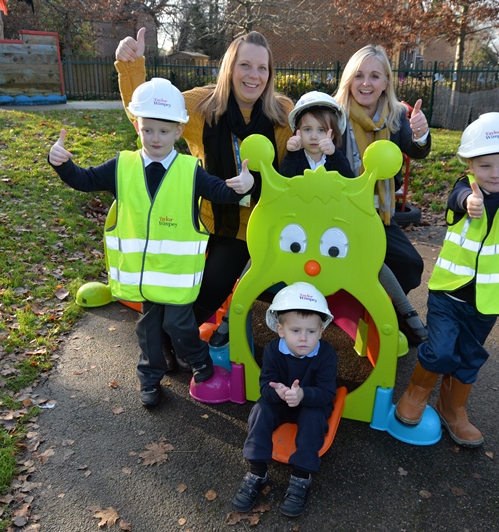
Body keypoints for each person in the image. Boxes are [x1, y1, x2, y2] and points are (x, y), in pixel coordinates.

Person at [47, 78, 255, 408]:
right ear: (137, 127)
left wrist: (243, 185)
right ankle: (150, 379)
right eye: (148, 130)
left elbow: (221, 192)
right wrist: (62, 164)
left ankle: (201, 366)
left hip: (175, 276)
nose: (155, 138)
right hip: (142, 277)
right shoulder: (122, 167)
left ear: (178, 132)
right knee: (148, 330)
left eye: (163, 131)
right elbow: (84, 180)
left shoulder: (190, 171)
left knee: (179, 325)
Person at [115, 28, 294, 329]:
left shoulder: (282, 114)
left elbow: (295, 173)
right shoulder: (202, 105)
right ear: (229, 68)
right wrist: (132, 64)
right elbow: (148, 112)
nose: (254, 75)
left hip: (251, 225)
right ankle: (161, 339)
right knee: (173, 282)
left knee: (208, 291)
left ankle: (170, 341)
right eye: (245, 65)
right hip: (202, 216)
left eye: (262, 68)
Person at [393, 112, 499, 447]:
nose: (496, 174)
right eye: (485, 166)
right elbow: (456, 200)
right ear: (471, 166)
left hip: (488, 300)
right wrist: (469, 201)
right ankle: (417, 391)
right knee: (442, 350)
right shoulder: (465, 188)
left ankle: (453, 407)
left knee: (470, 357)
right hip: (449, 294)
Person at [333, 44, 432, 344]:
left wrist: (420, 133)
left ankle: (375, 315)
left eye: (375, 76)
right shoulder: (334, 116)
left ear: (386, 82)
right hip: (339, 216)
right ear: (348, 79)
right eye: (359, 75)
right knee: (355, 267)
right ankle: (361, 316)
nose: (366, 83)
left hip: (378, 215)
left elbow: (417, 150)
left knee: (410, 266)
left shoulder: (396, 116)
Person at [231, 282, 338, 517]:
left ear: (321, 330)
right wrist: (277, 391)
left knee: (313, 419)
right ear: (281, 330)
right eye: (295, 331)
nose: (303, 338)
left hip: (310, 404)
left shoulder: (326, 354)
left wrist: (303, 394)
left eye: (311, 332)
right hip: (281, 402)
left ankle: (301, 477)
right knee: (260, 410)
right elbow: (265, 385)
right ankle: (257, 471)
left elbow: (328, 392)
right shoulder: (272, 350)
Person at [280, 91, 355, 178]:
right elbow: (284, 181)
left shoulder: (337, 159)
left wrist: (335, 155)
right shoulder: (294, 159)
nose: (313, 137)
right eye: (307, 129)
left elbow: (349, 179)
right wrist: (292, 155)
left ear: (332, 135)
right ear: (298, 132)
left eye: (321, 130)